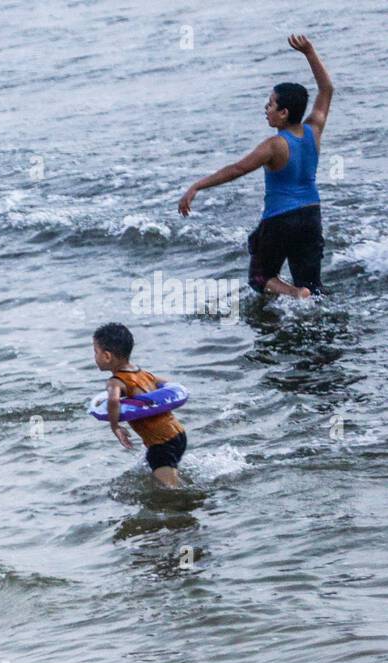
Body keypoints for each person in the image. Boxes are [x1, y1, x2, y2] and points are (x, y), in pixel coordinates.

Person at [178, 35, 333, 299]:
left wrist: (197, 186)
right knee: (313, 286)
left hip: (280, 219)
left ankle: (295, 294)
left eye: (271, 103)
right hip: (311, 215)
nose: (266, 108)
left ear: (283, 112)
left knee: (260, 278)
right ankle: (307, 302)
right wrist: (309, 52)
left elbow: (236, 170)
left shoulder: (274, 145)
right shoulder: (314, 130)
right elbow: (326, 89)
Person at [92, 323, 186, 489]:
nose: (94, 356)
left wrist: (115, 427)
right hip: (178, 434)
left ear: (107, 356)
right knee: (165, 476)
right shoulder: (143, 374)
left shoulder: (115, 381)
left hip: (161, 442)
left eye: (95, 352)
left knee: (171, 489)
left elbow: (113, 401)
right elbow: (167, 386)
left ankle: (191, 505)